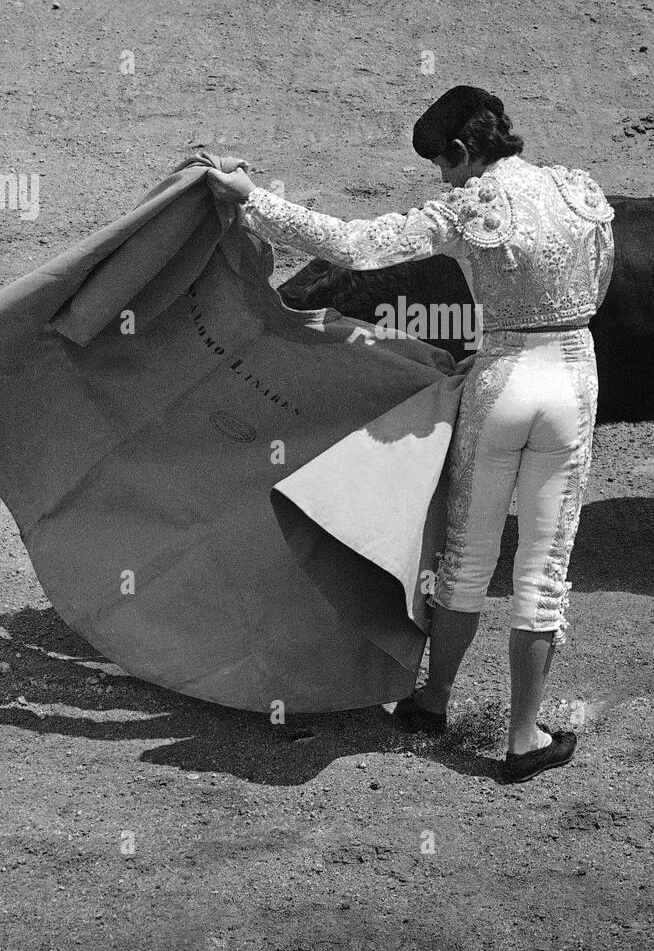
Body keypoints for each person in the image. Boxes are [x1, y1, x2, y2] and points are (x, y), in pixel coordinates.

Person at [208, 85, 615, 782]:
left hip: (501, 381)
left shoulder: (466, 207)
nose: (442, 178)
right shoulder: (580, 191)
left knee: (464, 558)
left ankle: (432, 702)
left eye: (443, 164)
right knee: (542, 575)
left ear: (462, 151)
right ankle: (523, 741)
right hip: (572, 378)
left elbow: (354, 246)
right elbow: (600, 284)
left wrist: (252, 196)